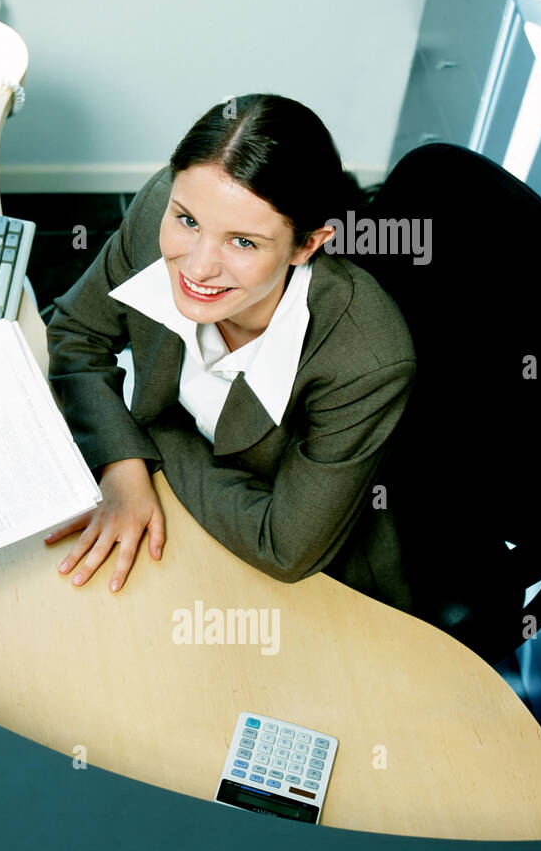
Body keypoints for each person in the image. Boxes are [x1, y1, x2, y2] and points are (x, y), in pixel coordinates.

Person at [44, 94, 415, 608]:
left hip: (315, 588)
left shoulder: (367, 360)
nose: (197, 267)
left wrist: (143, 439)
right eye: (188, 222)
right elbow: (75, 332)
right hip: (181, 517)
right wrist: (122, 467)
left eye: (242, 243)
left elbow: (284, 547)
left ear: (307, 245)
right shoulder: (164, 207)